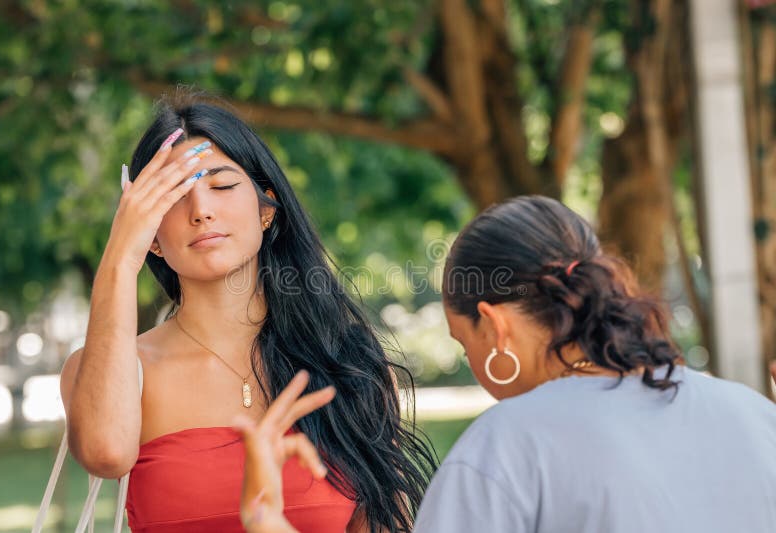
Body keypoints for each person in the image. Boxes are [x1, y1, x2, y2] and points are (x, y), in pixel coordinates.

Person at [237, 195, 776, 533]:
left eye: (462, 339)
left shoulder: (508, 444)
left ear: (495, 327)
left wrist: (266, 518)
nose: (470, 360)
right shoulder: (752, 414)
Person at [59, 95, 436, 532]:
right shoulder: (113, 370)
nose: (201, 210)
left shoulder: (348, 362)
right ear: (151, 236)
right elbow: (105, 452)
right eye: (175, 196)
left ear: (266, 209)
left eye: (220, 186)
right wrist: (120, 259)